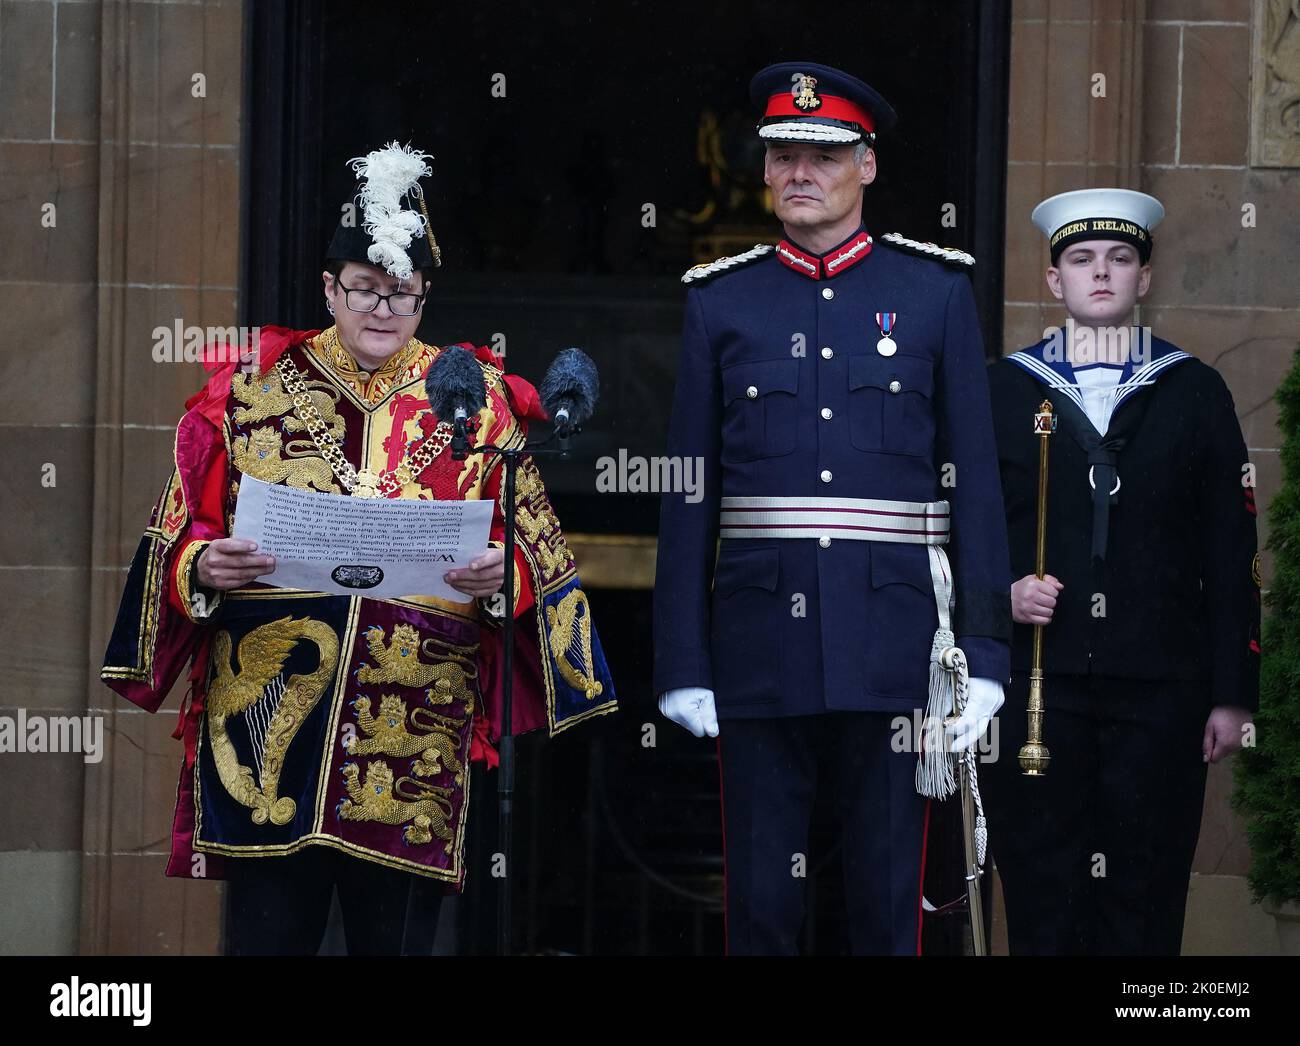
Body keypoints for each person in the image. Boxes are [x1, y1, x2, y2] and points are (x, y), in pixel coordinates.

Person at [100, 142, 616, 955]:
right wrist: (201, 568)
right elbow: (178, 533)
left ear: (426, 296)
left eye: (402, 294)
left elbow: (538, 553)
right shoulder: (252, 392)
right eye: (365, 289)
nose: (382, 309)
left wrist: (499, 578)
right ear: (328, 288)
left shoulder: (477, 402)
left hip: (414, 722)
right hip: (270, 723)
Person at [652, 63, 1012, 955]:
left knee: (889, 910)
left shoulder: (935, 296)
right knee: (763, 911)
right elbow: (688, 496)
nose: (800, 170)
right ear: (763, 170)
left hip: (895, 646)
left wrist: (991, 651)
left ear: (868, 168)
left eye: (825, 153)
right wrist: (680, 660)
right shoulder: (720, 301)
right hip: (757, 642)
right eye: (782, 153)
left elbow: (977, 482)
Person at [981, 188, 1260, 955]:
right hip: (1038, 690)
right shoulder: (1001, 391)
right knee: (1042, 894)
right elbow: (962, 526)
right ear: (1053, 282)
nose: (1100, 273)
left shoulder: (1195, 390)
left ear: (1143, 278)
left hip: (1162, 693)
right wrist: (1000, 592)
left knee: (1143, 896)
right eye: (1081, 260)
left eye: (1119, 258)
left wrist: (1233, 696)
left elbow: (1230, 552)